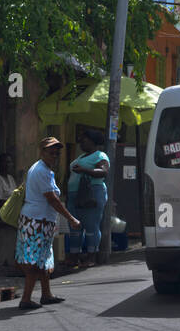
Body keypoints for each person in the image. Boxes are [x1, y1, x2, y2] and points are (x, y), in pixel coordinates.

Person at [16, 137, 81, 309]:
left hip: (42, 221)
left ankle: (46, 294)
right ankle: (26, 299)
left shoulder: (43, 169)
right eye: (51, 152)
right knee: (34, 262)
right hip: (36, 221)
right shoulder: (41, 171)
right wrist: (71, 218)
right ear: (42, 152)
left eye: (56, 153)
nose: (54, 155)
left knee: (43, 259)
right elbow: (53, 200)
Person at [65, 130, 110, 268]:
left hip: (91, 194)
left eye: (84, 139)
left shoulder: (100, 156)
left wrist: (85, 170)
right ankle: (74, 257)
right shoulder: (81, 157)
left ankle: (91, 256)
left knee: (91, 225)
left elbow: (103, 171)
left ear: (93, 141)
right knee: (75, 227)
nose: (81, 142)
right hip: (74, 195)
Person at [0, 153, 17, 268]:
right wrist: (11, 204)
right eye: (7, 162)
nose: (10, 165)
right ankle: (3, 259)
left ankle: (12, 258)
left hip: (10, 211)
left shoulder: (11, 178)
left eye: (10, 162)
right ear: (0, 164)